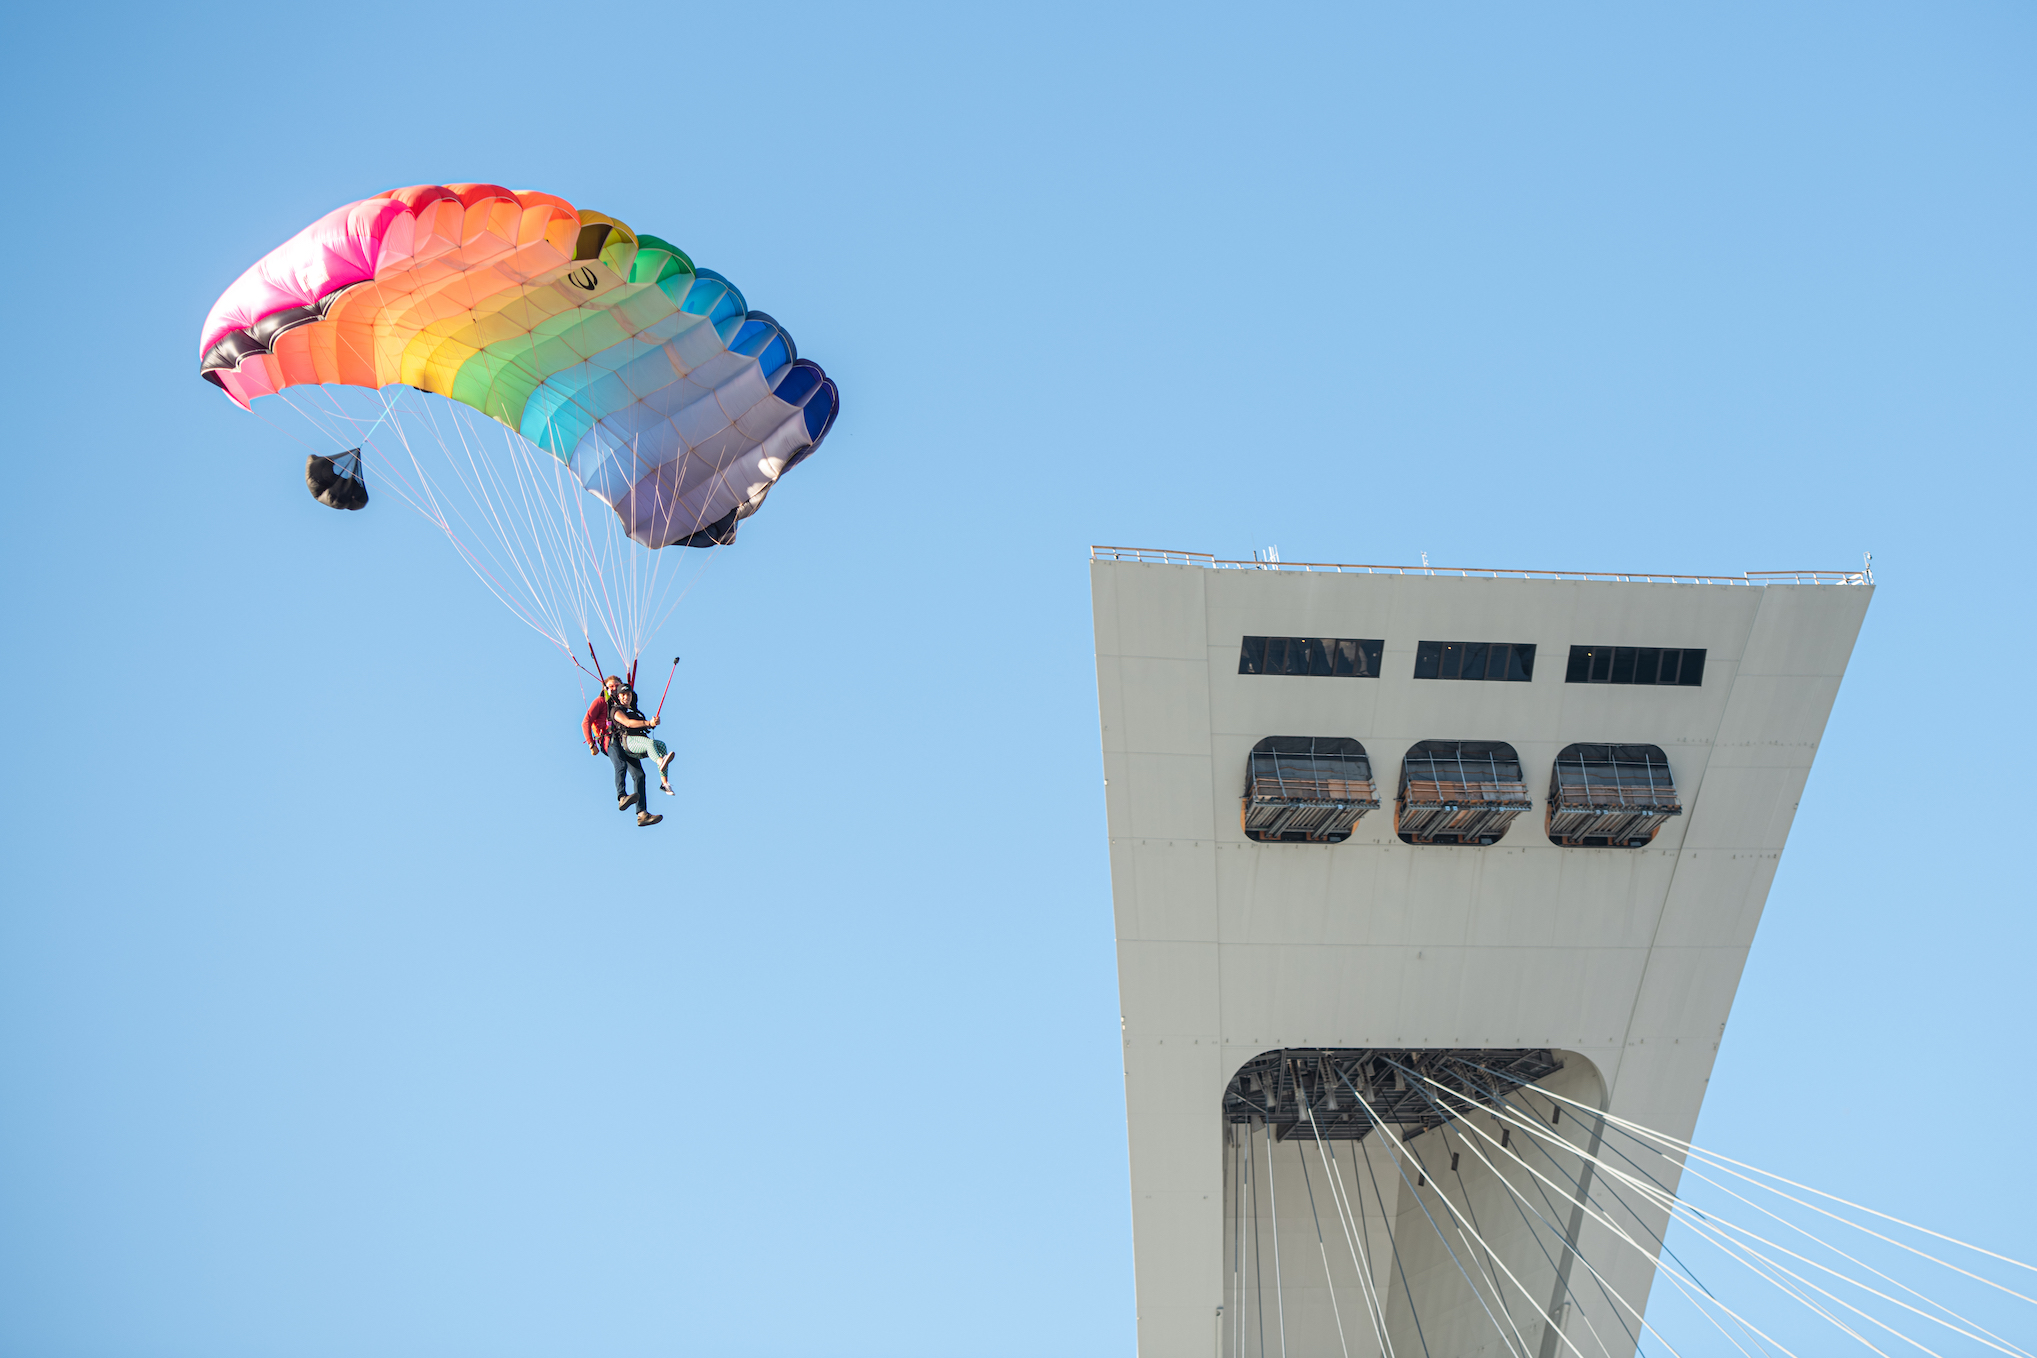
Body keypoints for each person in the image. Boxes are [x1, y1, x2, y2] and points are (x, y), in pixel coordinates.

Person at [607, 684, 672, 826]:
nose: (626, 697)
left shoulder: (634, 712)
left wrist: (652, 723)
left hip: (638, 743)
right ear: (618, 697)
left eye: (628, 694)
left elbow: (640, 724)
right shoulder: (615, 710)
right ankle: (660, 761)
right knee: (624, 764)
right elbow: (628, 723)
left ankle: (644, 812)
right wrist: (648, 722)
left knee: (640, 775)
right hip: (627, 743)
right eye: (623, 695)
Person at [583, 675, 623, 755]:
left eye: (617, 686)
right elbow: (586, 721)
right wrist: (591, 744)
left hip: (623, 739)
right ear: (605, 689)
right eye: (611, 686)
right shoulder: (600, 701)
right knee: (621, 765)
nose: (615, 688)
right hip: (608, 739)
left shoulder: (623, 703)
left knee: (636, 767)